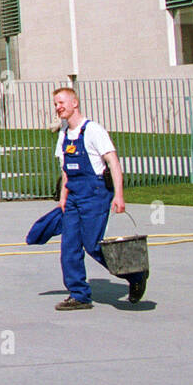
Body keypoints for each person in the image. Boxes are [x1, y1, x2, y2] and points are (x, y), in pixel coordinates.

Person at [52, 87, 147, 308]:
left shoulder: (94, 130)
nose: (58, 107)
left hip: (95, 194)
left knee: (93, 244)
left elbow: (113, 162)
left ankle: (135, 275)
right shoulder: (64, 133)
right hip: (74, 195)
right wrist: (63, 197)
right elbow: (66, 169)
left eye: (62, 103)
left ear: (75, 103)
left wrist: (119, 196)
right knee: (69, 247)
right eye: (56, 104)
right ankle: (79, 294)